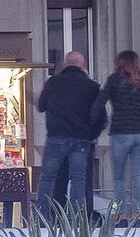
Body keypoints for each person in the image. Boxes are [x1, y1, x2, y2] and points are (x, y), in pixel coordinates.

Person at [97, 49, 140, 218]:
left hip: (120, 132)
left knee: (119, 176)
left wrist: (96, 122)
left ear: (118, 63)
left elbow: (100, 101)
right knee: (138, 174)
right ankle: (136, 211)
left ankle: (121, 213)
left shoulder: (113, 81)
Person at [35, 50, 104, 211]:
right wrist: (91, 135)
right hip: (81, 139)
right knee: (78, 179)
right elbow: (100, 116)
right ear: (83, 66)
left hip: (56, 137)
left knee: (47, 178)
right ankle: (76, 218)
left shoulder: (53, 82)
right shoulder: (92, 86)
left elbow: (41, 106)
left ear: (64, 64)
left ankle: (42, 216)